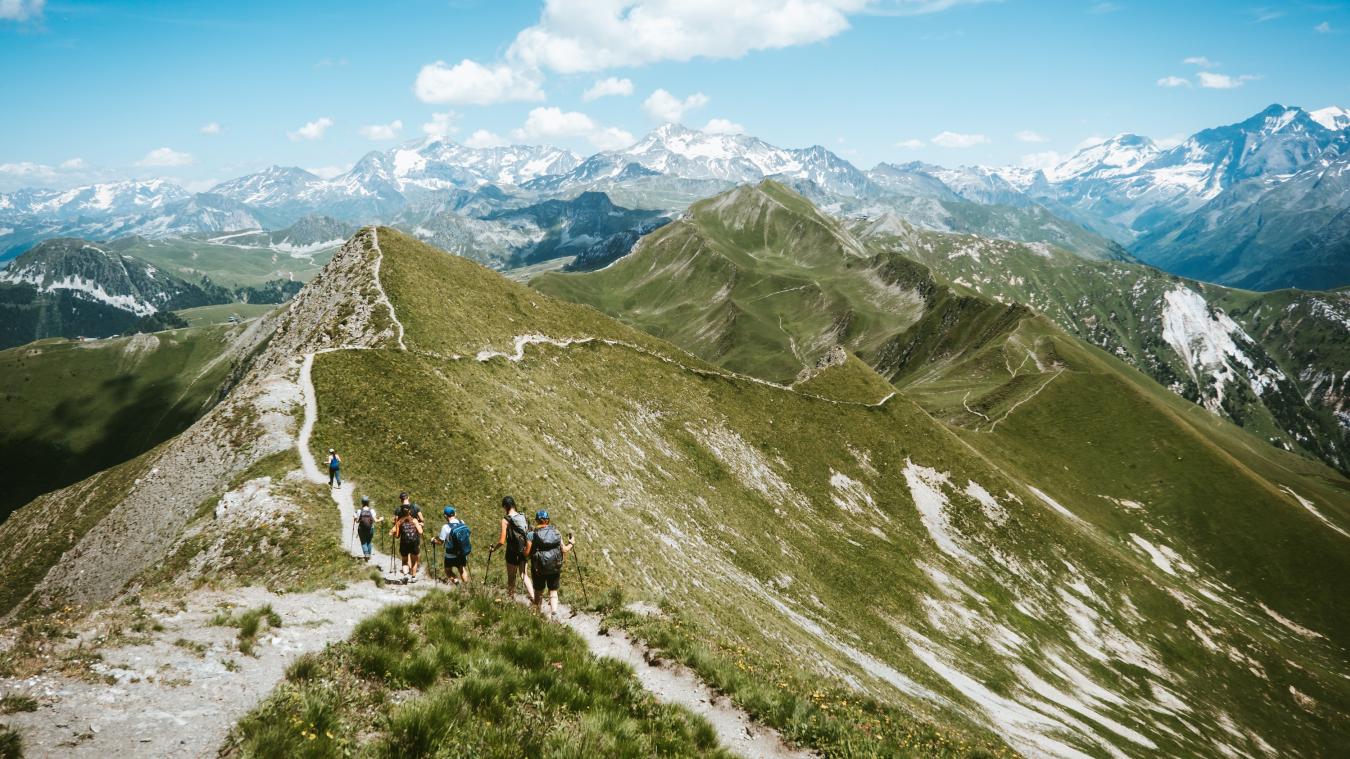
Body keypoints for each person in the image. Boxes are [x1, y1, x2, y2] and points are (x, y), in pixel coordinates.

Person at [526, 510, 574, 621]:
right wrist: (571, 543)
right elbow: (564, 549)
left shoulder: (532, 535)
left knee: (538, 591)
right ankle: (554, 614)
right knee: (553, 591)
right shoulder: (556, 532)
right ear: (548, 520)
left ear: (537, 521)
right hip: (554, 567)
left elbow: (527, 553)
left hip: (538, 568)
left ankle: (536, 615)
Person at [495, 496, 534, 601]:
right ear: (513, 504)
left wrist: (493, 549)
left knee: (511, 576)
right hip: (524, 549)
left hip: (512, 551)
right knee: (524, 574)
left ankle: (510, 598)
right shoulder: (523, 516)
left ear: (505, 506)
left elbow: (502, 541)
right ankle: (534, 598)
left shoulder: (505, 520)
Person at [433, 505, 472, 586]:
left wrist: (433, 541)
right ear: (455, 514)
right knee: (462, 570)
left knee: (448, 570)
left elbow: (441, 542)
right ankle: (467, 588)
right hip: (462, 553)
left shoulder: (445, 527)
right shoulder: (462, 523)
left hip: (450, 555)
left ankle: (457, 584)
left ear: (445, 516)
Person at [391, 504, 423, 581]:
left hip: (404, 544)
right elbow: (420, 532)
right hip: (414, 543)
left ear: (401, 512)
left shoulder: (399, 522)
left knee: (405, 561)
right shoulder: (414, 520)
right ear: (409, 511)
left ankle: (405, 575)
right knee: (414, 561)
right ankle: (413, 577)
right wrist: (419, 525)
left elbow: (397, 536)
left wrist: (394, 533)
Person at [353, 496, 379, 561]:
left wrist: (355, 518)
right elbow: (375, 520)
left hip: (361, 529)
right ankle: (369, 555)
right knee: (369, 542)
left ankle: (366, 554)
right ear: (368, 503)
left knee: (363, 542)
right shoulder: (372, 511)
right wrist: (381, 519)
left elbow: (357, 521)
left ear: (362, 503)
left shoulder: (359, 511)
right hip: (370, 529)